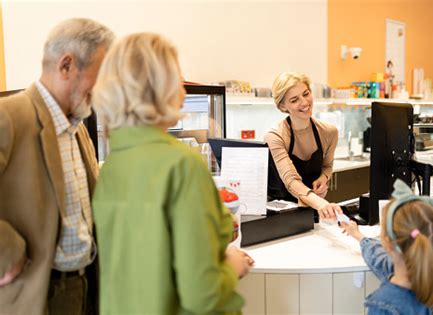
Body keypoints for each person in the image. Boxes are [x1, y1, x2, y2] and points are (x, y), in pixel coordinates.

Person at [91, 32, 252, 315]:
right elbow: (203, 294)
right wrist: (232, 266)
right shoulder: (183, 166)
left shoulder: (111, 167)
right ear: (164, 86)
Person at [0, 18, 114, 314]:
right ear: (67, 65)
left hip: (86, 286)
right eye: (100, 76)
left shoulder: (78, 127)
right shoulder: (9, 117)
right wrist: (7, 252)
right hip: (36, 294)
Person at [341, 179, 433, 314]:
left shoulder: (383, 304)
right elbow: (380, 259)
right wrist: (358, 236)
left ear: (387, 242)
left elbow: (382, 259)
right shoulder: (431, 282)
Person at [264, 72, 342, 220]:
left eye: (306, 94)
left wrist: (323, 178)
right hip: (280, 214)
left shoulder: (329, 132)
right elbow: (291, 180)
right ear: (282, 106)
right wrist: (320, 203)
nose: (305, 102)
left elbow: (327, 165)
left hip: (313, 209)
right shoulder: (275, 136)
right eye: (294, 100)